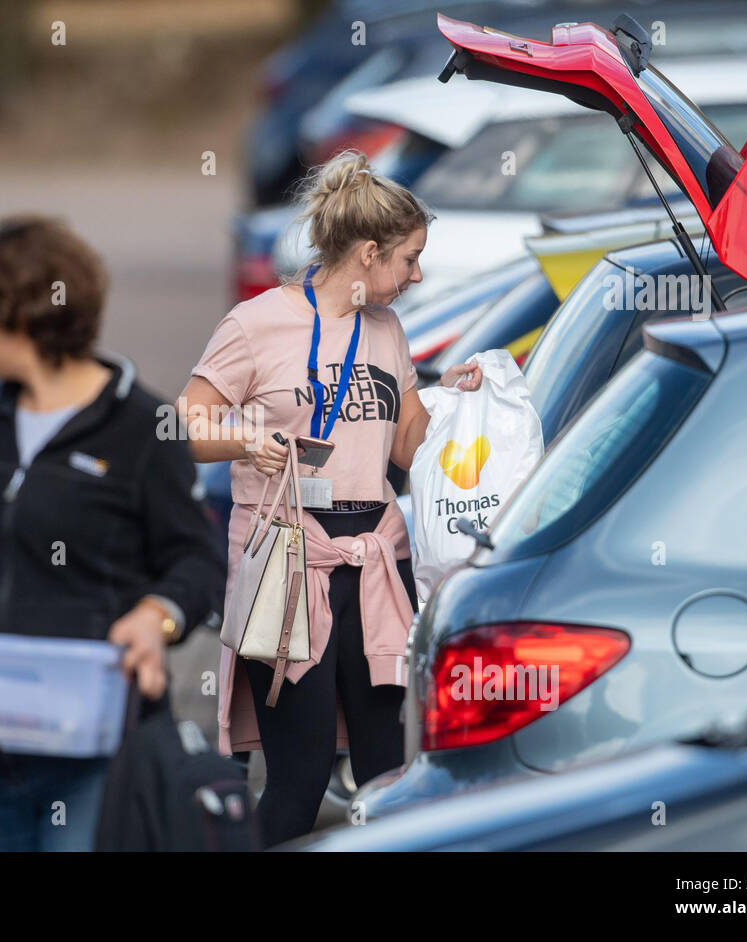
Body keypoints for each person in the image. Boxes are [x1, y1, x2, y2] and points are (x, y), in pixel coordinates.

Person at [0, 214, 225, 852]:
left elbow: (200, 562)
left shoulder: (144, 428)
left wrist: (155, 618)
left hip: (89, 753)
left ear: (21, 310)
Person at [180, 151, 483, 846]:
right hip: (289, 566)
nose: (416, 276)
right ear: (369, 253)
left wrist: (455, 399)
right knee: (300, 776)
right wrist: (245, 443)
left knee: (388, 771)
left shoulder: (387, 330)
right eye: (408, 260)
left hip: (376, 562)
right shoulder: (256, 325)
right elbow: (190, 422)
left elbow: (408, 447)